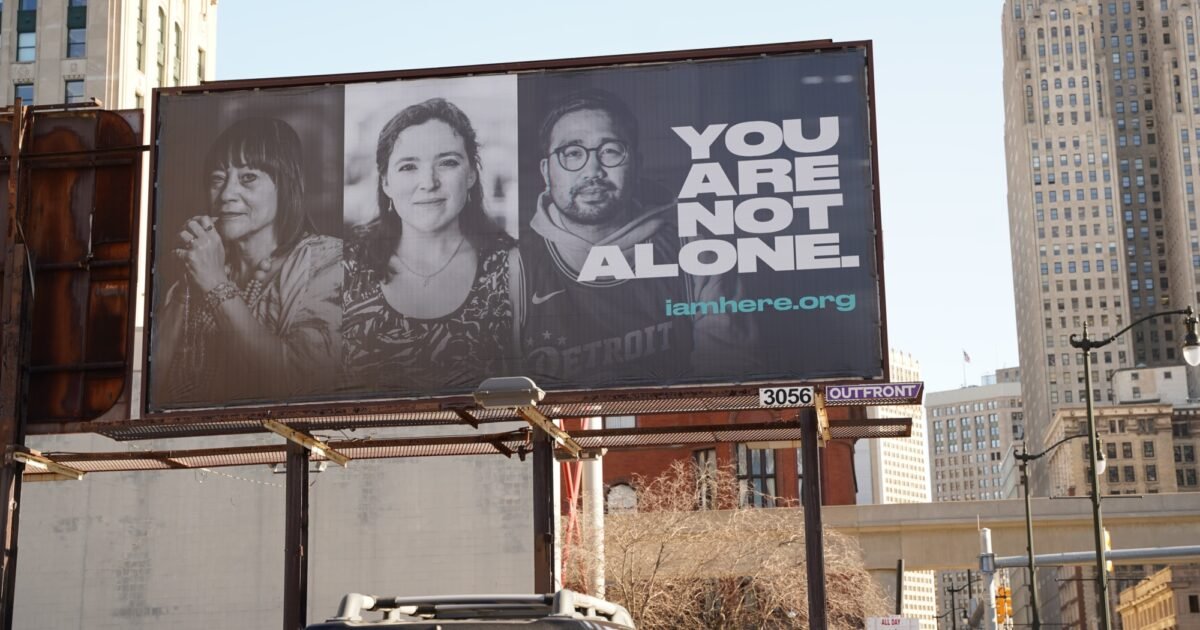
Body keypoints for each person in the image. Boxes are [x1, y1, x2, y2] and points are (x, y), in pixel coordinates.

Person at [520, 89, 756, 388]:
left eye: (610, 150)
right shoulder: (510, 266)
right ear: (546, 170)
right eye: (572, 153)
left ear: (637, 165)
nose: (592, 171)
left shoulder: (695, 248)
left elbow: (727, 379)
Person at [153, 117, 342, 406]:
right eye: (218, 179)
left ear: (286, 183)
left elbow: (300, 383)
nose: (226, 194)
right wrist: (185, 288)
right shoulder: (201, 269)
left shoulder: (325, 260)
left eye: (248, 177)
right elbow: (152, 389)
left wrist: (216, 285)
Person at [342, 98, 517, 394]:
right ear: (385, 182)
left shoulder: (512, 266)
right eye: (408, 166)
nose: (428, 182)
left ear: (472, 174)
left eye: (447, 163)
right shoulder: (344, 265)